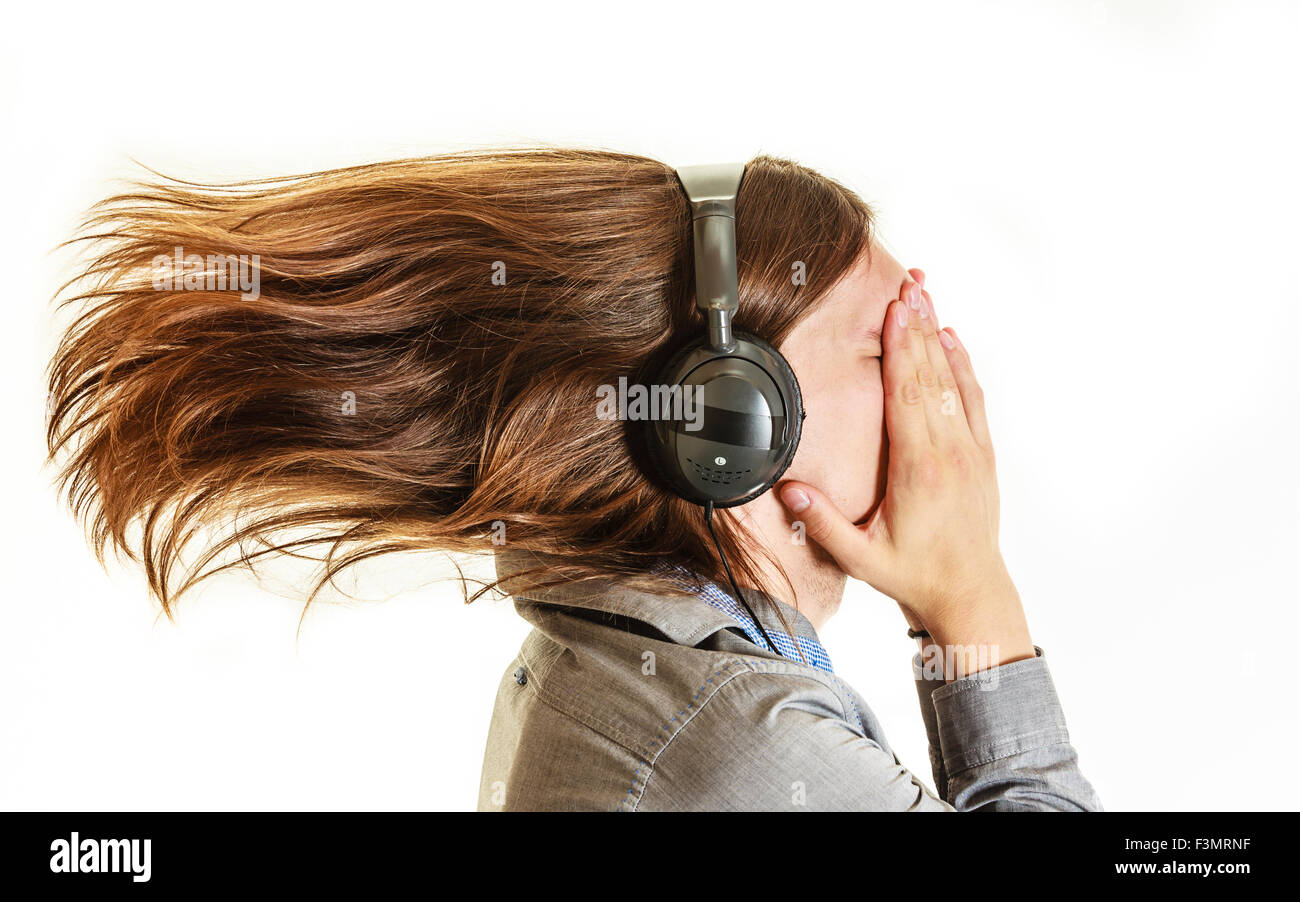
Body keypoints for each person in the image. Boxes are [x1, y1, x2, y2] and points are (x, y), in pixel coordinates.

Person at [46, 149, 1100, 811]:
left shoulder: (605, 666)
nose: (940, 387)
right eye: (886, 350)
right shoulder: (730, 743)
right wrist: (974, 604)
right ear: (730, 421)